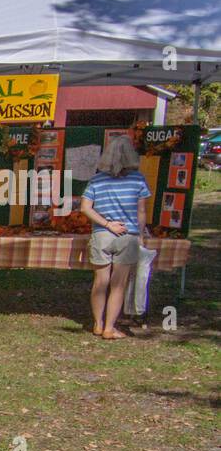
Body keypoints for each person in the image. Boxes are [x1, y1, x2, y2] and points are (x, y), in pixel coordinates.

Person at [79, 134, 150, 340]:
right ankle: (110, 328)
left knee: (100, 282)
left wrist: (107, 224)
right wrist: (141, 234)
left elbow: (85, 207)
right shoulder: (138, 179)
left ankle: (98, 324)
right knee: (118, 285)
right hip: (127, 235)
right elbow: (141, 212)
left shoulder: (96, 179)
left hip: (101, 234)